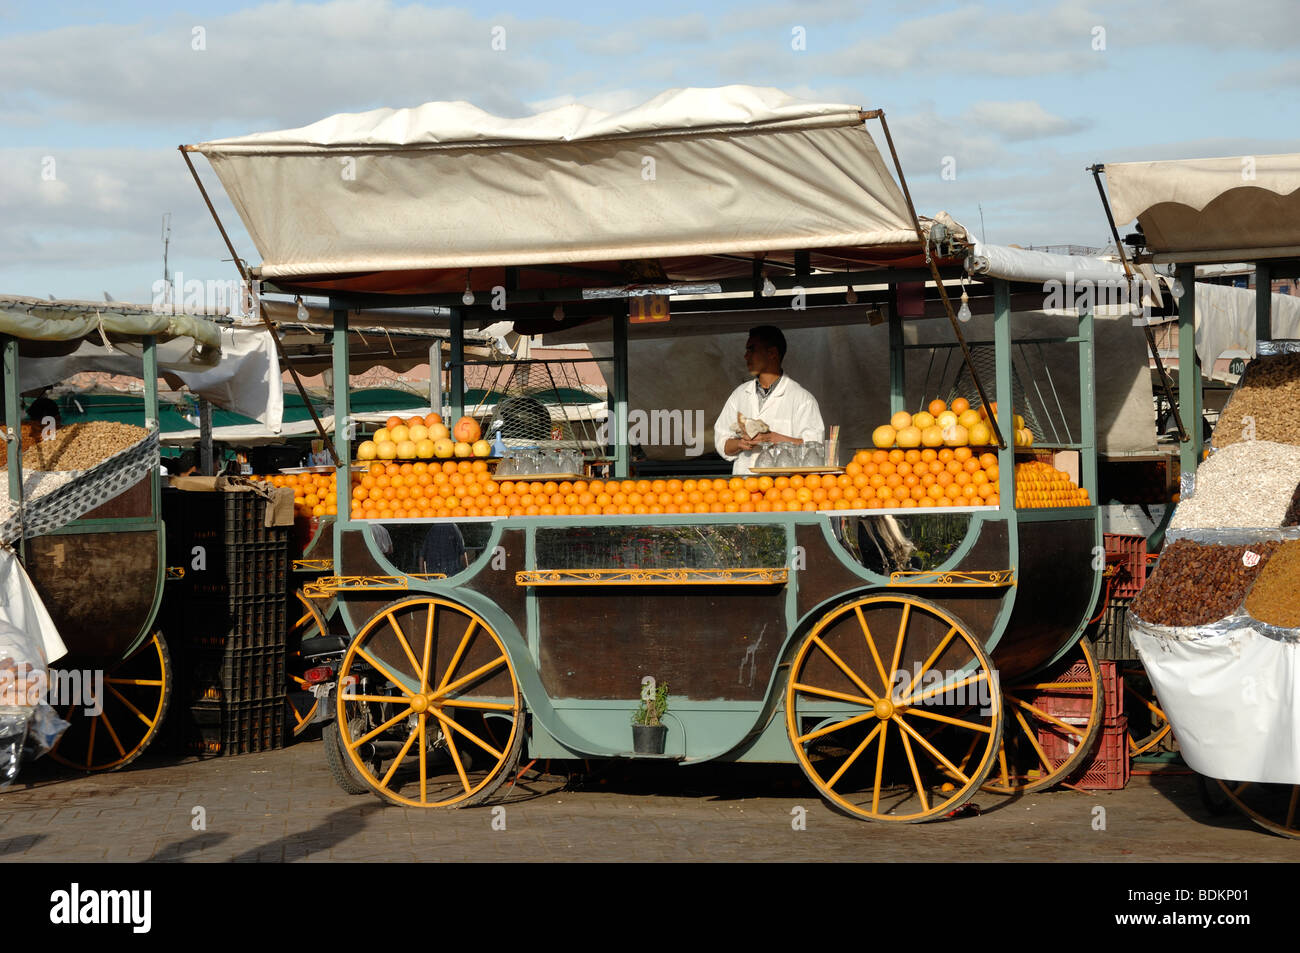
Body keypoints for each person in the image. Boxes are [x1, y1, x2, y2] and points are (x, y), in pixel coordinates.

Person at [713, 325, 824, 475]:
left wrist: (773, 437)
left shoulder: (802, 399)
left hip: (783, 490)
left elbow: (814, 449)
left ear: (772, 353)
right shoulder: (739, 395)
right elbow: (722, 442)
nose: (746, 356)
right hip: (744, 490)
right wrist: (740, 443)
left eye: (751, 349)